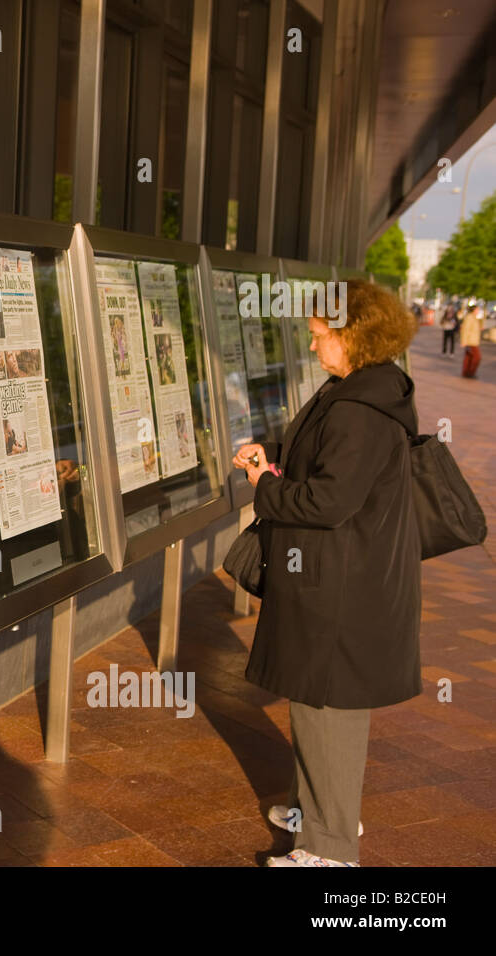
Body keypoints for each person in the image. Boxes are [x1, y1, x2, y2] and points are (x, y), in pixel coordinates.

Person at [232, 279, 419, 868]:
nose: (312, 347)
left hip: (340, 585)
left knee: (328, 711)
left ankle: (329, 850)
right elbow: (331, 477)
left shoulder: (360, 406)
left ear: (352, 336)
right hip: (340, 576)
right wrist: (280, 468)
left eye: (319, 336)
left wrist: (265, 486)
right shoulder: (362, 389)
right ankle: (316, 814)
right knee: (319, 706)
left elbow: (329, 503)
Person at [459, 302, 483, 378]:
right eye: (477, 309)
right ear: (474, 310)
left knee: (468, 357)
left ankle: (466, 373)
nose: (478, 311)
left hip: (472, 341)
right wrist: (464, 341)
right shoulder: (469, 317)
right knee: (477, 357)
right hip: (470, 342)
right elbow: (465, 330)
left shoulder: (474, 317)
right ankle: (470, 373)